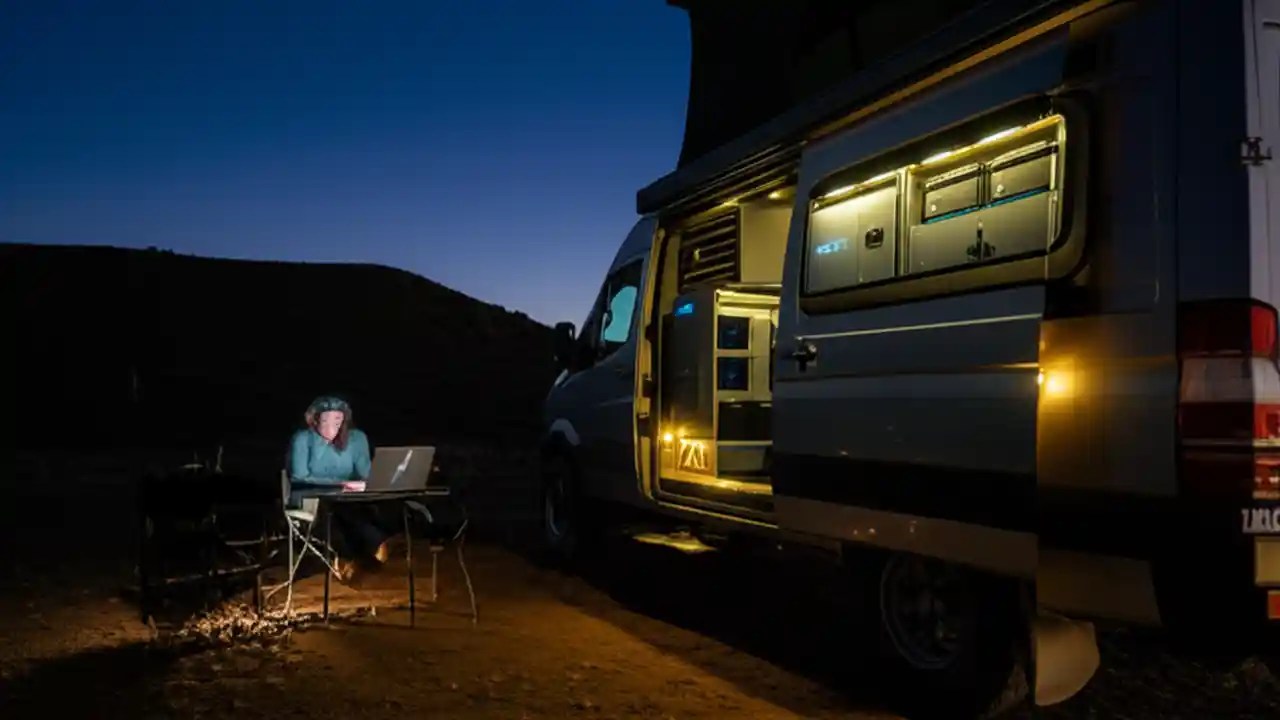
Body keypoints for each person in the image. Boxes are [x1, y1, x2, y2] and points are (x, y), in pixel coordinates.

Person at [287, 395, 389, 583]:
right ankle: (352, 555)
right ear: (315, 420)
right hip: (310, 498)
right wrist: (340, 484)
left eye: (337, 420)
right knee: (333, 515)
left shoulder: (356, 439)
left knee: (362, 512)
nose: (330, 426)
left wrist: (367, 480)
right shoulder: (302, 439)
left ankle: (370, 549)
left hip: (347, 499)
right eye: (324, 420)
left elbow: (365, 473)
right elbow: (299, 477)